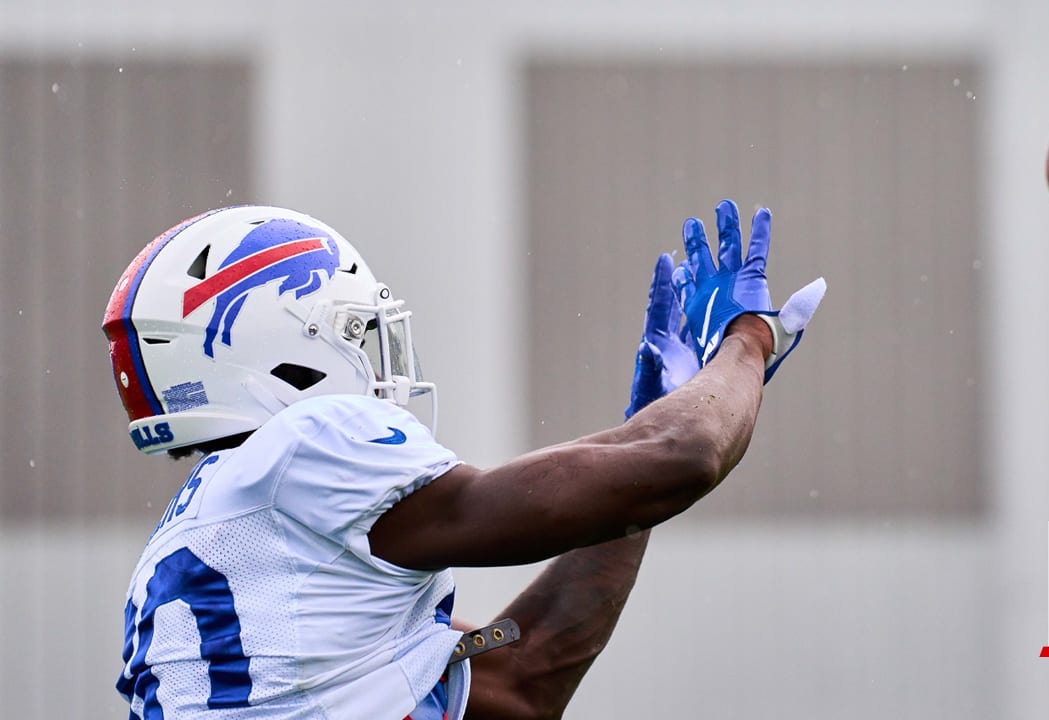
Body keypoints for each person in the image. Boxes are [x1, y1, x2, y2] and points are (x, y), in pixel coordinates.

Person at [105, 200, 825, 719]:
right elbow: (685, 456)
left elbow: (526, 677)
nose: (377, 353)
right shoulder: (311, 444)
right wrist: (744, 345)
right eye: (356, 329)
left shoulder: (229, 530)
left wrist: (648, 439)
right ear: (280, 346)